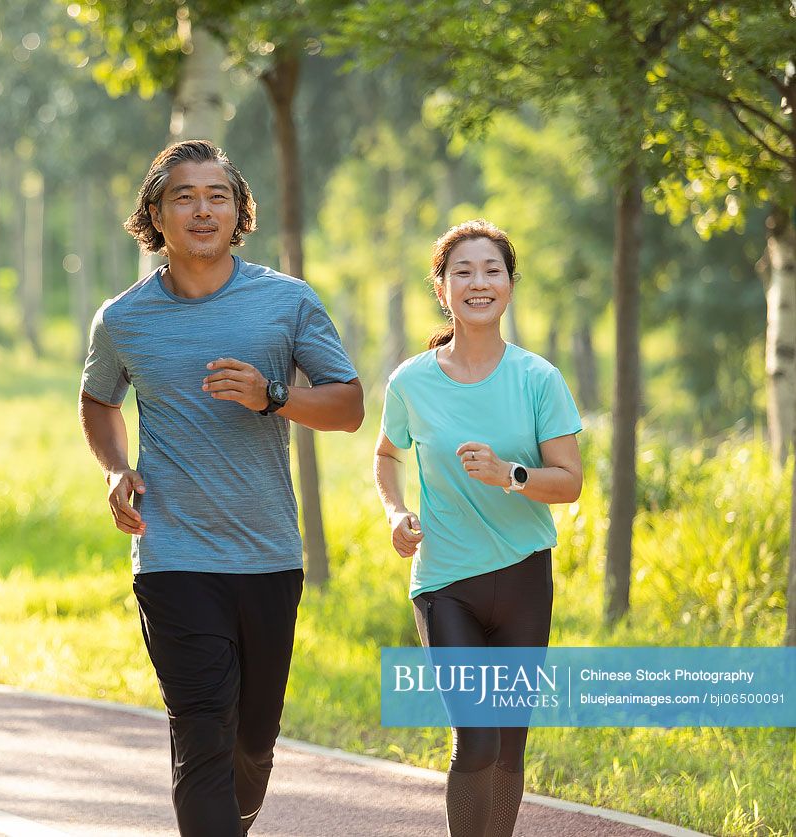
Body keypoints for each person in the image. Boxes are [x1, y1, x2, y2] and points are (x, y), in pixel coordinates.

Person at [78, 139, 363, 837]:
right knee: (202, 729)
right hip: (172, 552)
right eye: (184, 195)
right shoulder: (122, 318)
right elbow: (97, 401)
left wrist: (272, 396)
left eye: (217, 196)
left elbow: (348, 406)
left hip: (267, 553)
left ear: (239, 212)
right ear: (155, 213)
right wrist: (116, 468)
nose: (201, 209)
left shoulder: (286, 301)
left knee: (252, 741)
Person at [373, 219, 583, 837]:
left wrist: (509, 474)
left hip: (523, 576)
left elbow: (569, 482)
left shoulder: (538, 378)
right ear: (442, 289)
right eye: (462, 271)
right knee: (479, 737)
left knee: (510, 746)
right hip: (445, 582)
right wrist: (395, 511)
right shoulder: (411, 381)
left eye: (491, 270)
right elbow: (386, 455)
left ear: (511, 285)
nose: (478, 282)